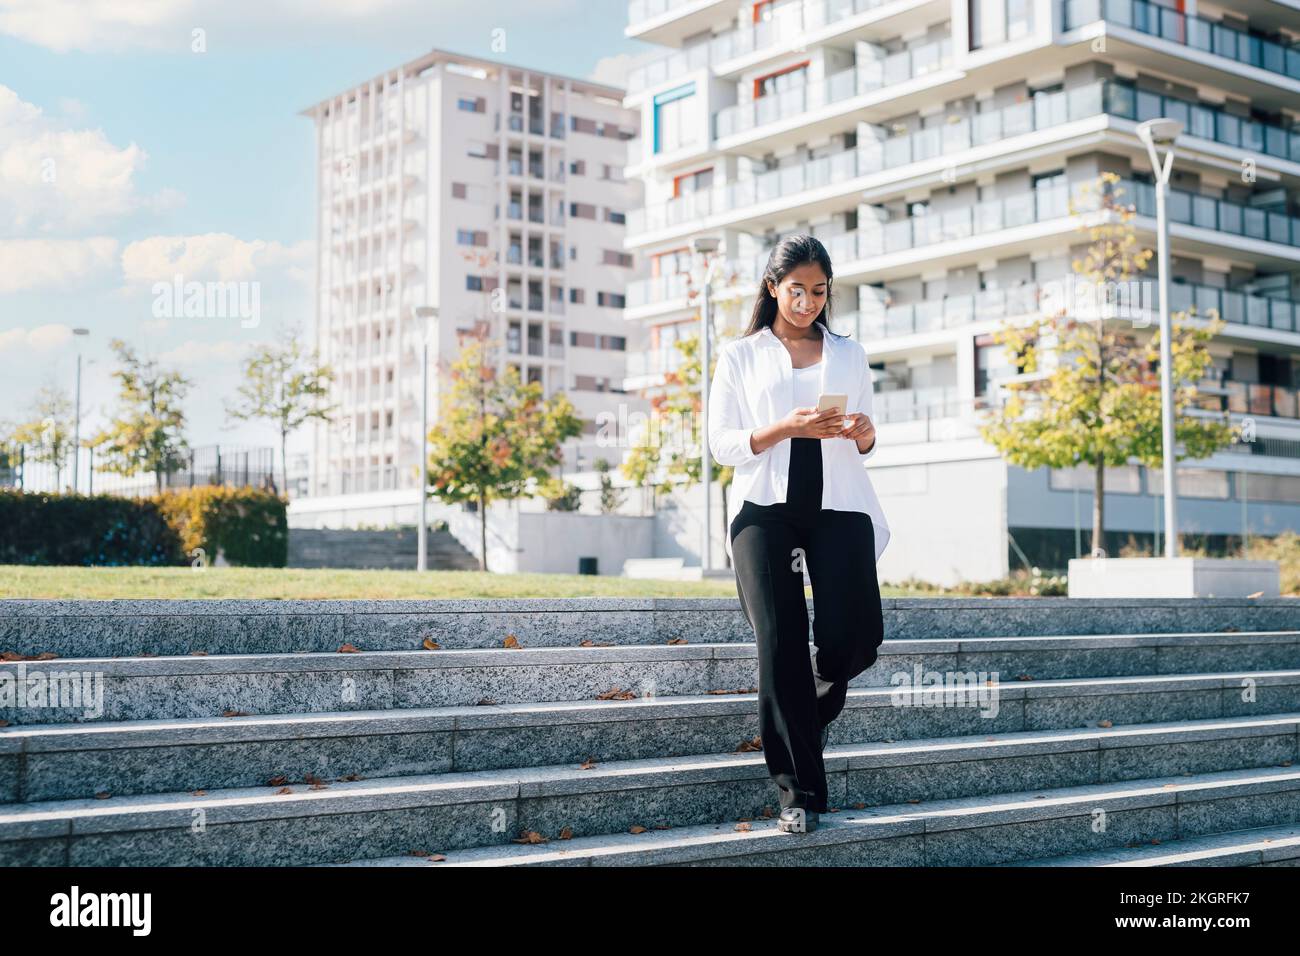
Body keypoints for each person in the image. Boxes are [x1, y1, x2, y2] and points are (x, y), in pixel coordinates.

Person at [707, 233, 891, 834]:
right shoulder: (741, 355)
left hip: (837, 504)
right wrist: (781, 428)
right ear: (772, 288)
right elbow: (722, 444)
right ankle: (799, 795)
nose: (808, 302)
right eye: (796, 290)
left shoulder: (849, 352)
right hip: (766, 510)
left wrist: (863, 431)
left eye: (818, 291)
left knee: (858, 635)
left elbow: (865, 442)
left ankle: (817, 687)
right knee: (781, 642)